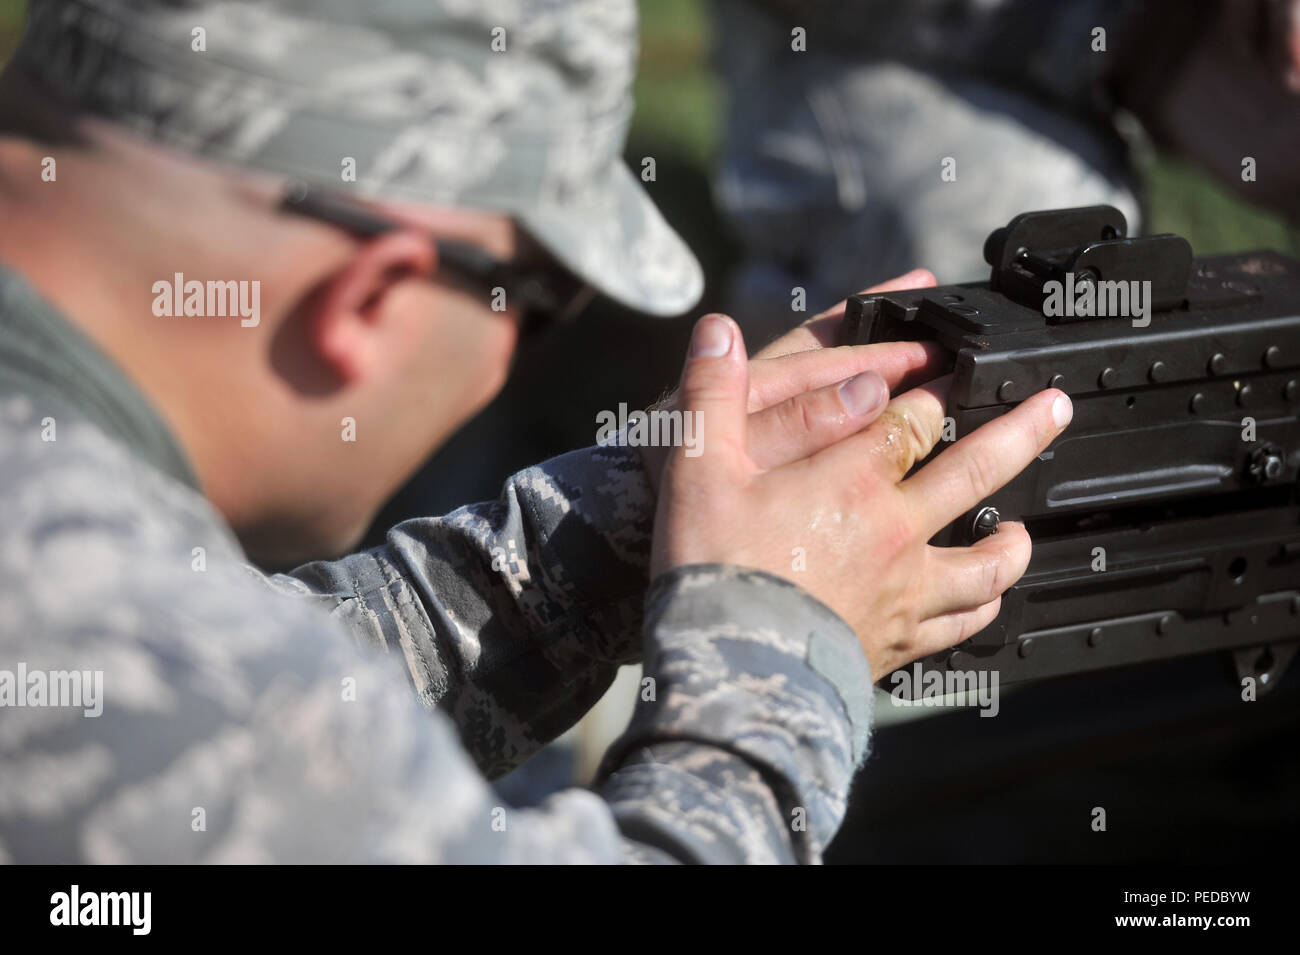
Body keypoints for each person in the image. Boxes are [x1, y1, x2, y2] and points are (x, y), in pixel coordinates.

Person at [0, 0, 1069, 863]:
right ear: (368, 300)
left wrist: (610, 528)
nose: (523, 350)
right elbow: (227, 711)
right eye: (540, 294)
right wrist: (775, 657)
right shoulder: (177, 675)